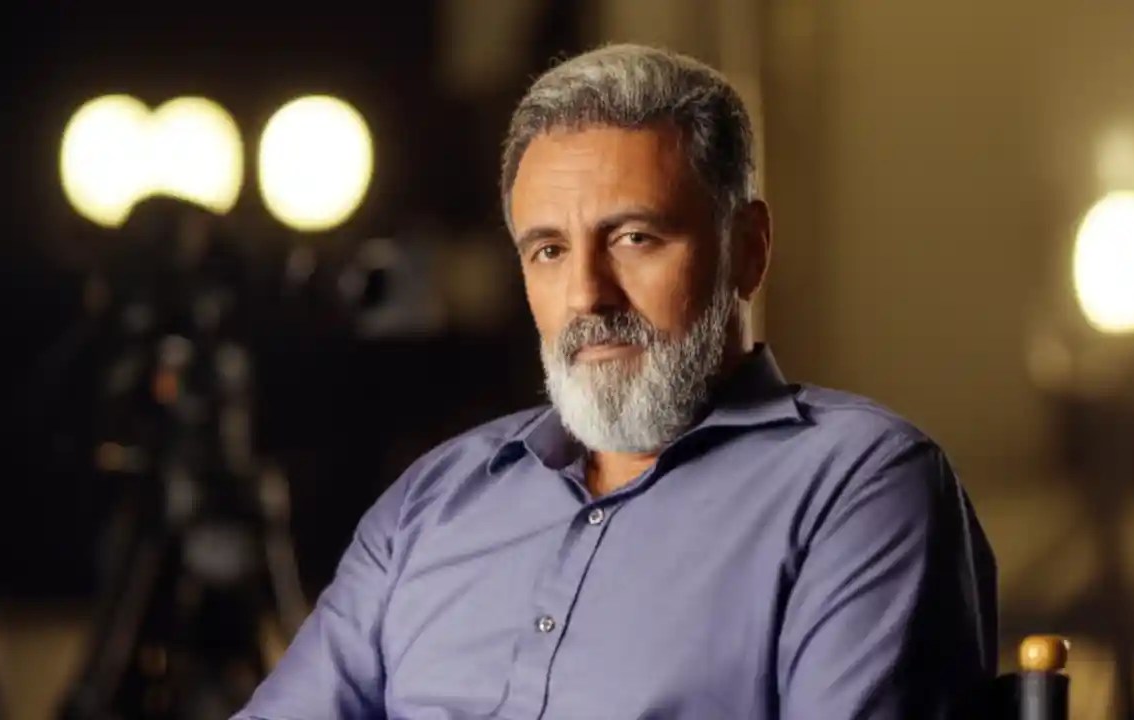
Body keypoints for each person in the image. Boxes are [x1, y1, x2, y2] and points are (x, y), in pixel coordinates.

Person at [234, 43, 997, 720]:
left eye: (635, 238)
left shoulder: (858, 488)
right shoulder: (431, 503)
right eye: (548, 251)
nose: (587, 297)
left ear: (749, 250)